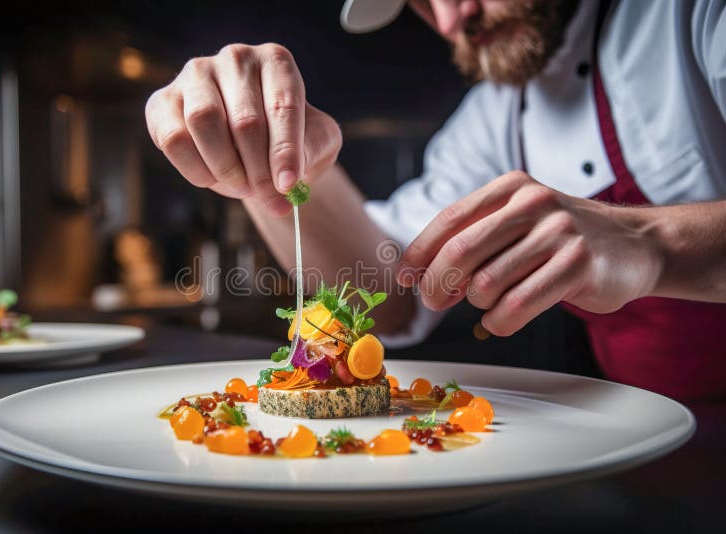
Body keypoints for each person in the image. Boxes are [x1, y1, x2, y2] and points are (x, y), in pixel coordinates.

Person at [145, 0, 726, 400]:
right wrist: (283, 168)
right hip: (654, 440)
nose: (452, 18)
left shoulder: (697, 17)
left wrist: (650, 243)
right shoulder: (495, 117)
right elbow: (390, 296)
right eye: (421, 1)